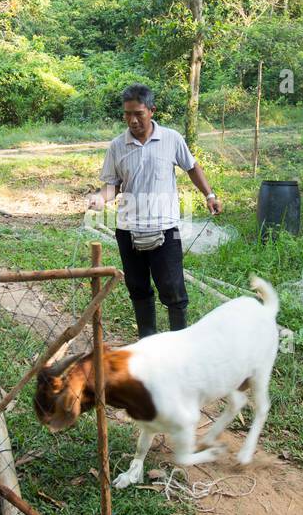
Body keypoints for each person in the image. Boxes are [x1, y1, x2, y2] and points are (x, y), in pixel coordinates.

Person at [93, 84, 222, 337]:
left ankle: (179, 345)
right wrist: (100, 198)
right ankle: (148, 342)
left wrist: (209, 195)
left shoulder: (171, 139)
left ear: (152, 111)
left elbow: (192, 167)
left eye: (139, 113)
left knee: (173, 291)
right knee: (138, 289)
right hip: (129, 230)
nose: (133, 120)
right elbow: (111, 186)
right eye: (127, 114)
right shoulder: (117, 146)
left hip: (166, 230)